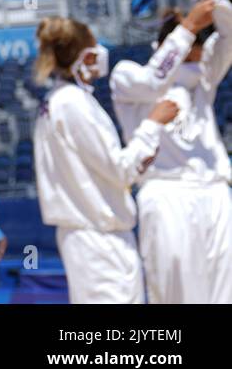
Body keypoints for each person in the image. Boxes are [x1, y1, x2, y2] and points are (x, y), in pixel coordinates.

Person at [110, 0, 232, 303]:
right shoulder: (129, 76)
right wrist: (189, 27)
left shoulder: (206, 73)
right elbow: (155, 80)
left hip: (213, 190)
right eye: (194, 41)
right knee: (176, 292)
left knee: (224, 293)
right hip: (166, 193)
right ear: (166, 44)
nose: (199, 51)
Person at [32, 17, 178, 304]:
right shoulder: (73, 103)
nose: (100, 52)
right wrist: (152, 124)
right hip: (98, 238)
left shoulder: (60, 100)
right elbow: (120, 170)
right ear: (84, 55)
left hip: (92, 236)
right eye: (94, 46)